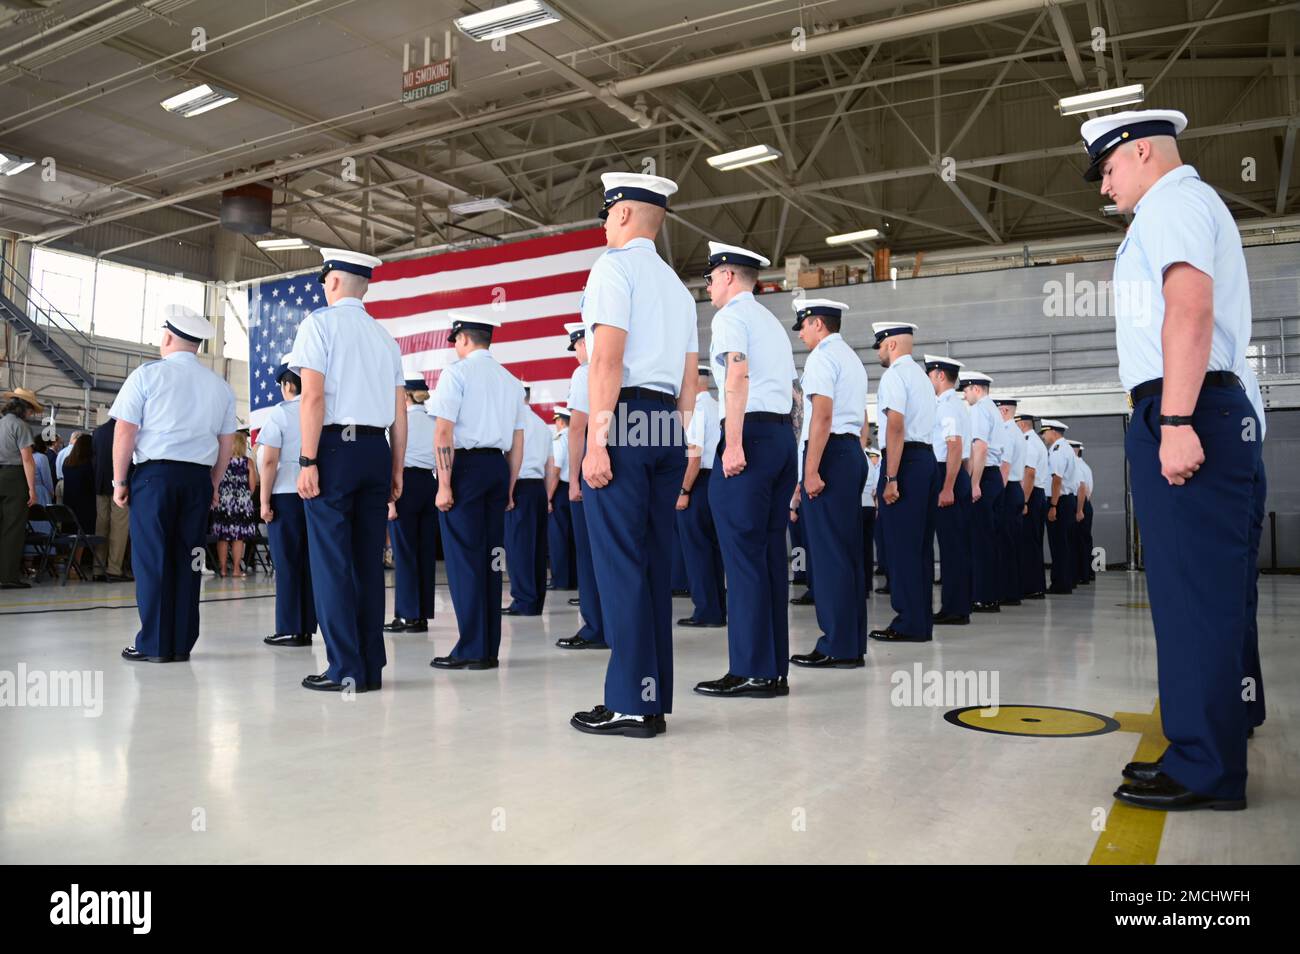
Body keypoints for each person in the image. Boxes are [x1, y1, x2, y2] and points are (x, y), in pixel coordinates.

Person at [1079, 108, 1260, 811]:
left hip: (1187, 407)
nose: (1104, 186)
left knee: (1193, 600)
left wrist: (1178, 419)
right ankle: (1209, 742)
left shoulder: (1172, 203)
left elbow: (1189, 310)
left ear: (1144, 152)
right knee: (1203, 596)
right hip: (1193, 404)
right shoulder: (1178, 205)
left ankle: (1205, 766)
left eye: (1110, 169)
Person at [571, 171, 697, 738]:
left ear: (622, 213)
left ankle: (628, 703)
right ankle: (650, 697)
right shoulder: (676, 286)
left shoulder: (613, 269)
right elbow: (691, 379)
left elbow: (606, 362)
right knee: (649, 567)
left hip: (624, 419)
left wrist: (598, 438)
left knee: (622, 566)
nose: (603, 223)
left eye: (605, 213)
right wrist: (684, 441)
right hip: (666, 421)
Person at [290, 248, 406, 693]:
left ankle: (344, 668)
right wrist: (396, 466)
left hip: (335, 450)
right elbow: (400, 409)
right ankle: (370, 666)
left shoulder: (318, 325)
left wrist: (307, 459)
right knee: (367, 564)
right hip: (376, 450)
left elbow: (312, 399)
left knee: (331, 563)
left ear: (333, 281)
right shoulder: (384, 338)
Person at [693, 242, 797, 698]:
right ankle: (772, 668)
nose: (709, 285)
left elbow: (737, 377)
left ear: (729, 277)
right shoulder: (770, 322)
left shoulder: (730, 317)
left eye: (712, 277)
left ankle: (751, 669)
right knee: (769, 556)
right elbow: (794, 395)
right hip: (778, 439)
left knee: (743, 557)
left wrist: (732, 443)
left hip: (748, 436)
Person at [110, 305, 237, 661]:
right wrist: (213, 484)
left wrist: (120, 480)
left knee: (153, 560)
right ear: (197, 344)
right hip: (197, 480)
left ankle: (154, 644)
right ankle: (181, 643)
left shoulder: (147, 375)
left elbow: (125, 430)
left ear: (167, 337)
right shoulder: (220, 386)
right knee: (190, 558)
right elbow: (227, 443)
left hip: (155, 477)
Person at [427, 314, 525, 669]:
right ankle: (488, 648)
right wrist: (511, 487)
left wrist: (443, 484)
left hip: (465, 469)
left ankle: (471, 648)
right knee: (490, 559)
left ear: (464, 339)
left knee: (465, 560)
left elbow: (443, 434)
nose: (454, 347)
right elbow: (517, 440)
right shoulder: (511, 381)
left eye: (455, 341)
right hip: (497, 468)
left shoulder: (457, 373)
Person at [788, 298, 869, 666]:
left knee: (829, 556)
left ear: (818, 323)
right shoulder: (851, 358)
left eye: (803, 326)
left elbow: (821, 417)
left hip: (829, 456)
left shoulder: (822, 357)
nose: (801, 334)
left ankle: (835, 645)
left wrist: (810, 471)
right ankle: (850, 643)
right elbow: (862, 418)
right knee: (847, 554)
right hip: (849, 452)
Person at [868, 322, 940, 644]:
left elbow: (895, 427)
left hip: (904, 463)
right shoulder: (923, 379)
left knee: (901, 548)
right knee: (920, 548)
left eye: (881, 345)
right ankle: (920, 621)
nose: (879, 352)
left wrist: (891, 477)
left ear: (892, 345)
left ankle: (908, 622)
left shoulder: (894, 376)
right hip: (925, 460)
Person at [555, 322, 608, 650]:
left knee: (589, 554)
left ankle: (595, 628)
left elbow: (577, 430)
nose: (576, 352)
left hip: (593, 470)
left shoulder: (584, 373)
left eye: (576, 345)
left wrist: (573, 479)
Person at [257, 359, 317, 647]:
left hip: (285, 494)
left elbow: (269, 460)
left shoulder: (281, 413)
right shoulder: (322, 410)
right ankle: (306, 626)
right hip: (315, 494)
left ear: (288, 385)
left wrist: (264, 500)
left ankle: (290, 628)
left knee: (287, 562)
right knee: (309, 562)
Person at [384, 377, 440, 634]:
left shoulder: (398, 421)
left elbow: (391, 460)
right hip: (429, 484)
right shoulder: (434, 421)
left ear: (405, 395)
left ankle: (407, 615)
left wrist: (391, 502)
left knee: (405, 553)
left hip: (404, 485)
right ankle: (422, 615)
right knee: (425, 552)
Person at [677, 362, 726, 629]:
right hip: (716, 480)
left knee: (697, 551)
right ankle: (718, 606)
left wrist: (684, 490)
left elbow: (693, 455)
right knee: (714, 550)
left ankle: (706, 611)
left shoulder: (695, 407)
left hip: (697, 483)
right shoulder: (717, 406)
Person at [925, 354, 973, 626]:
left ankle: (955, 608)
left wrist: (948, 487)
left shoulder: (947, 406)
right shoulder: (956, 405)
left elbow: (954, 447)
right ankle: (957, 605)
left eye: (930, 375)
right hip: (955, 475)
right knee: (955, 545)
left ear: (940, 375)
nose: (929, 380)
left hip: (948, 476)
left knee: (952, 546)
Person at [958, 370, 1005, 612]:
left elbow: (980, 447)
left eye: (966, 390)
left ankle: (982, 596)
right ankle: (991, 594)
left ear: (976, 388)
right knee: (990, 540)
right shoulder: (994, 410)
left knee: (979, 541)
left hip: (984, 477)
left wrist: (974, 483)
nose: (965, 396)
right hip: (993, 476)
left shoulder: (978, 410)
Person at [503, 385, 552, 617]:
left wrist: (508, 492)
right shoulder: (542, 425)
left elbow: (510, 457)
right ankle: (535, 600)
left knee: (518, 548)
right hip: (538, 489)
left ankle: (523, 601)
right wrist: (548, 496)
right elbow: (550, 466)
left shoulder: (512, 422)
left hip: (519, 487)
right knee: (537, 548)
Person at [0, 388, 41, 589]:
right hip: (14, 478)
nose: (31, 414)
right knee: (13, 529)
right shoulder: (21, 426)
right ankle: (7, 577)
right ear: (24, 408)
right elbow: (27, 459)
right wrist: (32, 489)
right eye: (31, 410)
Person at [210, 429, 258, 577]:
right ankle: (237, 569)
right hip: (242, 505)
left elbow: (214, 481)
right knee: (238, 537)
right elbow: (253, 485)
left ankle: (223, 569)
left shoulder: (220, 461)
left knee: (223, 536)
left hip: (223, 502)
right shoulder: (247, 462)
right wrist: (244, 496)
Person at [993, 397, 1026, 606]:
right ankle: (1013, 590)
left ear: (1004, 410)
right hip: (1015, 489)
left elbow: (1004, 467)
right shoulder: (1017, 433)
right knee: (1011, 543)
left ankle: (1008, 592)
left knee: (1005, 543)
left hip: (1006, 488)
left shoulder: (1006, 431)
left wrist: (996, 492)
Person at [1015, 412, 1049, 599]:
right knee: (1033, 542)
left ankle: (1031, 587)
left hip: (1031, 494)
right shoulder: (1036, 441)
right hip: (1036, 494)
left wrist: (1025, 500)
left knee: (1028, 543)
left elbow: (1029, 473)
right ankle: (1036, 586)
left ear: (1021, 425)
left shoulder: (1028, 442)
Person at [1040, 419, 1076, 594]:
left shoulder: (1057, 451)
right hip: (1065, 500)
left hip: (1059, 501)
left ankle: (1060, 584)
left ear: (1053, 432)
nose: (1044, 436)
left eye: (1045, 433)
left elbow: (1057, 480)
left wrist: (1053, 505)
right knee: (1063, 543)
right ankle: (1066, 581)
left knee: (1058, 544)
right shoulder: (1066, 448)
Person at [92, 418, 131, 581]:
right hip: (120, 484)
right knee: (119, 527)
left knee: (101, 526)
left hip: (101, 485)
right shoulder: (126, 429)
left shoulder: (98, 432)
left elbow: (93, 459)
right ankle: (114, 569)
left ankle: (97, 568)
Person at [546, 406, 576, 591]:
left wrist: (548, 497)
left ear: (560, 421)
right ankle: (573, 579)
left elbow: (555, 472)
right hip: (573, 489)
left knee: (558, 539)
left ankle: (560, 580)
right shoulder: (574, 439)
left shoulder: (559, 440)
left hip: (560, 491)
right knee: (572, 538)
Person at [61, 433, 97, 571]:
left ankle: (70, 564)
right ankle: (75, 566)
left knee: (72, 535)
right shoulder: (88, 465)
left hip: (69, 504)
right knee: (82, 537)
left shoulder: (67, 463)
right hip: (85, 505)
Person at [1070, 440, 1095, 584]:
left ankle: (1082, 574)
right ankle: (1087, 573)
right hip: (1085, 502)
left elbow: (1083, 488)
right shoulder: (1085, 466)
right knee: (1084, 540)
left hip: (1080, 502)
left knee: (1079, 540)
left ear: (1077, 450)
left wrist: (1079, 509)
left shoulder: (1077, 465)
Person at [861, 445, 881, 594]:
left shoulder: (853, 457)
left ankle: (860, 585)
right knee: (867, 548)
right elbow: (875, 486)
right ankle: (867, 584)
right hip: (870, 505)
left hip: (858, 506)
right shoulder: (868, 460)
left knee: (857, 548)